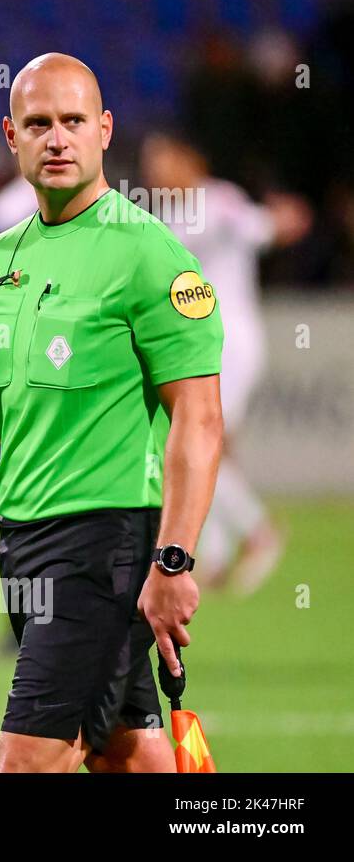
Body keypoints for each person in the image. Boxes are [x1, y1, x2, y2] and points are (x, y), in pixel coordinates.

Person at [0, 53, 224, 773]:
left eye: (74, 122)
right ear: (12, 136)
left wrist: (174, 559)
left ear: (104, 130)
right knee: (128, 753)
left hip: (107, 546)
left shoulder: (149, 254)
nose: (58, 138)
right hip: (21, 543)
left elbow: (200, 419)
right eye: (39, 123)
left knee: (27, 759)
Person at [140, 131, 310, 594]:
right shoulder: (169, 215)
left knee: (202, 440)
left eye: (163, 160)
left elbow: (267, 228)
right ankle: (212, 554)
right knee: (193, 441)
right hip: (195, 345)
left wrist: (284, 217)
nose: (156, 172)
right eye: (150, 164)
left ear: (187, 157)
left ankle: (258, 532)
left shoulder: (219, 200)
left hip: (230, 342)